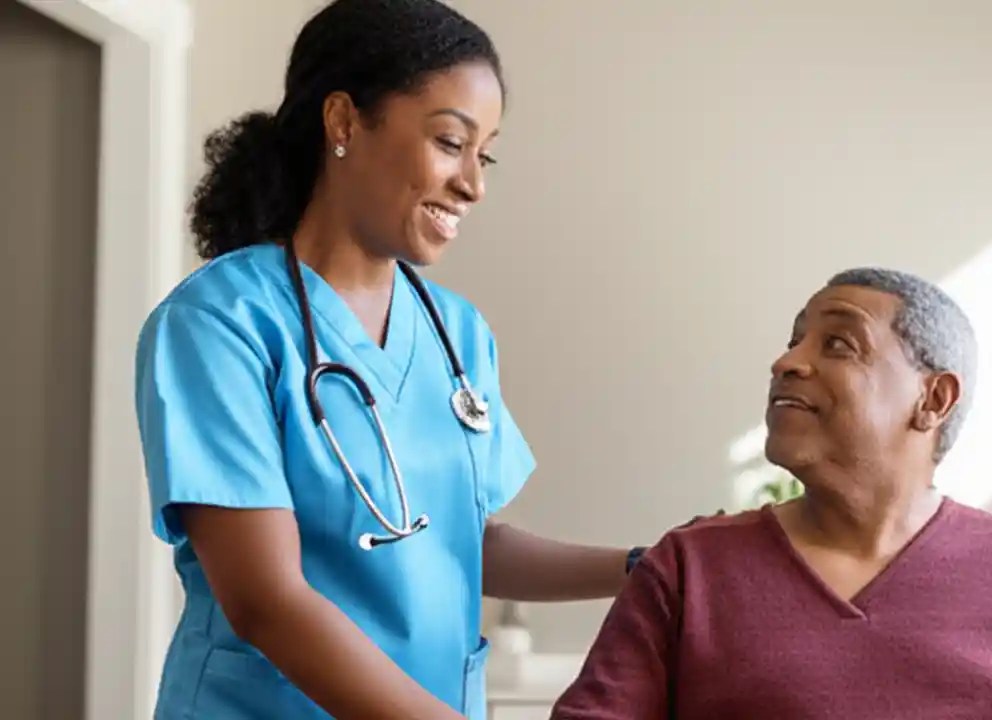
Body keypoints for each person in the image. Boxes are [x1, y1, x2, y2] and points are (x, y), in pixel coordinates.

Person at [133, 2, 648, 718]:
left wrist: (641, 567)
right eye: (450, 141)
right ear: (344, 122)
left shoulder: (457, 333)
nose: (473, 184)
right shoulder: (221, 323)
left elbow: (466, 546)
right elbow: (265, 601)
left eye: (484, 155)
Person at [551, 269, 992, 720]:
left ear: (933, 399)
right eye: (794, 340)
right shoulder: (688, 569)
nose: (786, 362)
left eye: (837, 344)